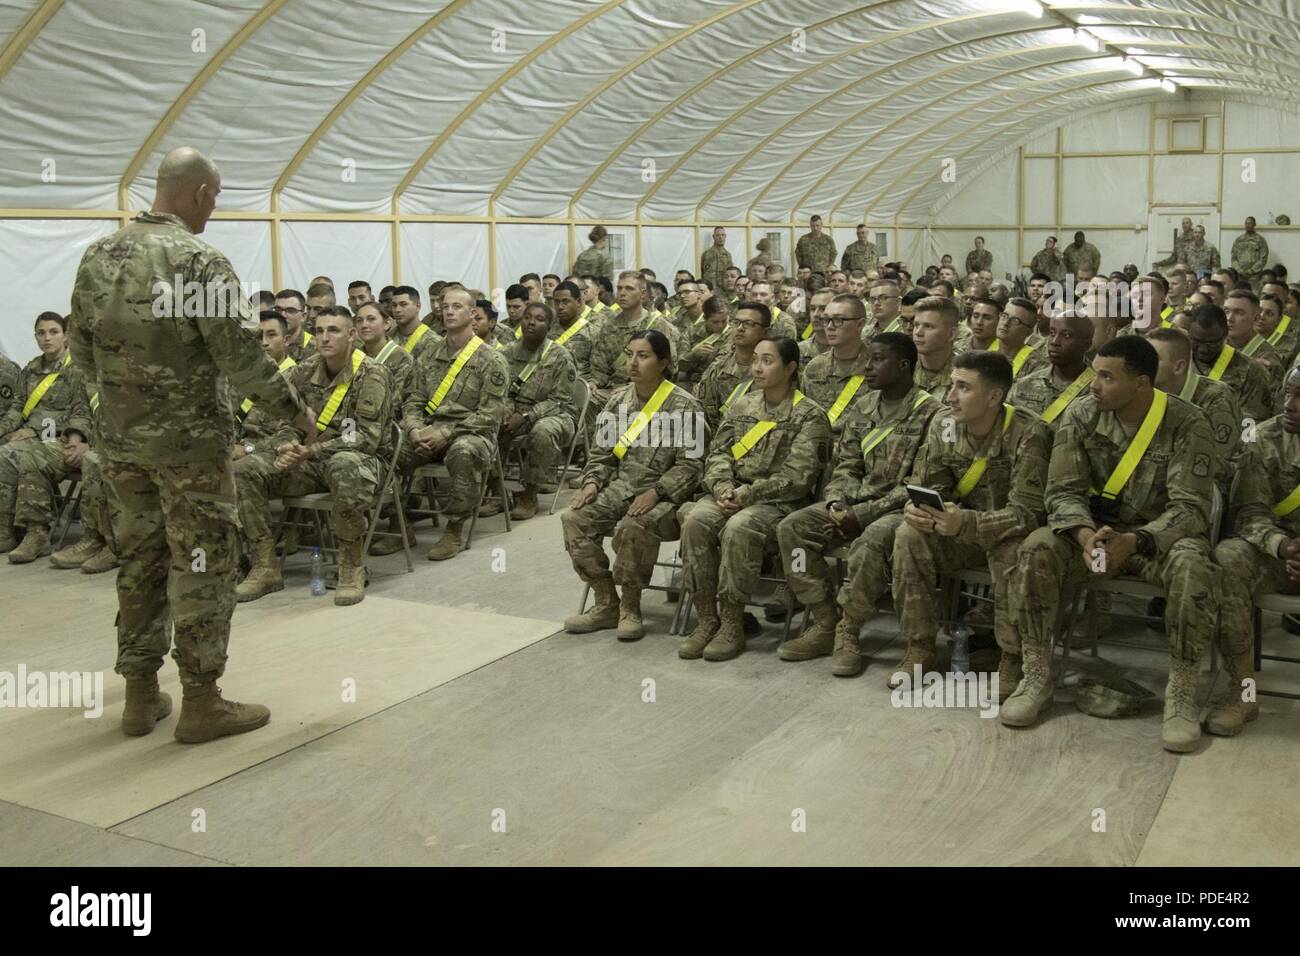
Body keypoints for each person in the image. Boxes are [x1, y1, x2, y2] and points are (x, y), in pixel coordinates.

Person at [68, 146, 313, 743]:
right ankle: (202, 701)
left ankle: (139, 696)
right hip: (191, 451)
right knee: (202, 563)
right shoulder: (199, 261)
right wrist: (295, 410)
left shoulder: (98, 256)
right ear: (200, 192)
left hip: (122, 446)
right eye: (216, 197)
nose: (215, 208)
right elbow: (241, 356)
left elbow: (80, 350)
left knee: (140, 562)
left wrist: (125, 404)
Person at [1007, 336, 1219, 752]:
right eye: (1095, 375)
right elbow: (1062, 491)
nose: (1094, 385)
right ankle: (1035, 675)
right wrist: (1085, 535)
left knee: (1194, 565)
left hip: (1155, 540)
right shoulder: (1081, 414)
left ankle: (1180, 693)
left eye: (1107, 377)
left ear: (1141, 383)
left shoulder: (1187, 422)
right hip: (1094, 537)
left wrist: (1136, 540)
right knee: (1036, 548)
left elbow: (1190, 508)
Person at [776, 333, 940, 672]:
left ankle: (848, 627)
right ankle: (824, 618)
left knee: (870, 540)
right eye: (868, 359)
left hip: (899, 510)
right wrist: (836, 503)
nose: (868, 367)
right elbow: (847, 465)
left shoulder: (932, 414)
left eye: (878, 359)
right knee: (792, 529)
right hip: (854, 503)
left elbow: (921, 483)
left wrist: (862, 514)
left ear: (903, 365)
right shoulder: (863, 407)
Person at [891, 351, 1051, 692]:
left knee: (1015, 552)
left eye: (963, 388)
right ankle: (920, 646)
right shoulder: (944, 423)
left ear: (994, 397)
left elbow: (1027, 513)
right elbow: (931, 485)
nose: (950, 396)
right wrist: (919, 509)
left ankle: (1012, 657)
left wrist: (965, 523)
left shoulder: (1029, 432)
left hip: (1007, 533)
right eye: (951, 385)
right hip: (958, 531)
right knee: (909, 534)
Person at [677, 337, 830, 661]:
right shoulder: (742, 406)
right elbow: (718, 454)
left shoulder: (809, 415)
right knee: (695, 520)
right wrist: (722, 487)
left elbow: (798, 478)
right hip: (730, 493)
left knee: (740, 527)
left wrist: (746, 494)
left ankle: (732, 622)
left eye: (767, 361)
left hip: (778, 503)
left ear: (790, 367)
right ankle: (707, 618)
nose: (757, 367)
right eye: (756, 360)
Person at [234, 306, 390, 607]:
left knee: (345, 465)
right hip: (309, 462)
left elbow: (366, 438)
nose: (324, 337)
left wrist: (312, 450)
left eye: (333, 330)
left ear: (352, 335)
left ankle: (351, 565)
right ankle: (265, 565)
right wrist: (287, 446)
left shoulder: (372, 374)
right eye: (319, 331)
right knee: (245, 469)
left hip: (361, 463)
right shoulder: (303, 371)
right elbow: (285, 422)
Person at [562, 330, 706, 639]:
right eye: (630, 355)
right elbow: (601, 454)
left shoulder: (685, 406)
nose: (633, 363)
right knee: (574, 518)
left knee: (634, 525)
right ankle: (606, 601)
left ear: (663, 363)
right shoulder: (618, 401)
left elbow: (692, 466)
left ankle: (630, 605)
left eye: (643, 356)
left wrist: (657, 492)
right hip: (620, 488)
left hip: (668, 497)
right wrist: (592, 482)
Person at [1209, 367, 1300, 736]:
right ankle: (1241, 692)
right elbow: (1248, 514)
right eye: (1288, 393)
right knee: (1228, 558)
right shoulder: (1263, 439)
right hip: (1278, 555)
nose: (1289, 405)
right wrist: (1283, 546)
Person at [400, 288, 510, 560]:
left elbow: (491, 414)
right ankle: (397, 521)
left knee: (463, 452)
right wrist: (414, 430)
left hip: (472, 433)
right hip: (429, 431)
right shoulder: (428, 355)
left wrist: (447, 433)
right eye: (445, 306)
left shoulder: (491, 359)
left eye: (456, 307)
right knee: (389, 448)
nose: (448, 311)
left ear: (472, 314)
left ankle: (454, 528)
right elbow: (413, 400)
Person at [0, 313, 92, 561]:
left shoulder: (76, 369)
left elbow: (80, 411)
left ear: (66, 336)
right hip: (30, 434)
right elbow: (17, 407)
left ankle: (36, 533)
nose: (47, 338)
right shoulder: (32, 368)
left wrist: (37, 430)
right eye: (41, 333)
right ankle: (6, 530)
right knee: (3, 452)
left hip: (58, 437)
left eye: (53, 332)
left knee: (17, 456)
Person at [501, 302, 579, 520]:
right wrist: (507, 413)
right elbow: (500, 392)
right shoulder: (506, 353)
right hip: (515, 411)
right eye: (527, 318)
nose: (531, 323)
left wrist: (527, 416)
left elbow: (560, 400)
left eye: (539, 319)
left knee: (543, 431)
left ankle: (529, 494)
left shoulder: (560, 356)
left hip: (556, 414)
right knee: (491, 422)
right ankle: (496, 490)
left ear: (549, 326)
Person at [1148, 328, 1240, 496]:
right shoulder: (1143, 391)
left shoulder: (1217, 397)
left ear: (1178, 367)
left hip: (1201, 487)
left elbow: (1216, 462)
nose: (1142, 365)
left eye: (1152, 359)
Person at [1186, 302, 1273, 422]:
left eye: (1211, 343)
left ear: (1225, 335)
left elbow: (1253, 421)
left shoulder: (1251, 370)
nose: (1203, 349)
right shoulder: (1178, 361)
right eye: (1196, 341)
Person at [801, 293, 871, 439]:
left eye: (838, 320)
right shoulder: (815, 367)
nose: (830, 327)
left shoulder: (876, 367)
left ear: (859, 324)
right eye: (826, 320)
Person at [1007, 310, 1095, 423]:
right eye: (1052, 333)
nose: (1054, 342)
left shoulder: (1096, 391)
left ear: (1086, 345)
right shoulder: (1023, 385)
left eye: (1066, 335)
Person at [696, 301, 769, 431]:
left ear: (765, 332)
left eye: (748, 324)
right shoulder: (717, 369)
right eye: (736, 322)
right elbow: (704, 418)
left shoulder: (774, 370)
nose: (740, 328)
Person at [549, 279, 599, 379]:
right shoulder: (546, 329)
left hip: (579, 384)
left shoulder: (593, 332)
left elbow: (598, 370)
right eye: (557, 302)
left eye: (565, 301)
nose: (560, 307)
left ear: (579, 302)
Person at [912, 295, 959, 399]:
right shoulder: (901, 369)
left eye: (928, 326)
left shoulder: (965, 375)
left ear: (951, 334)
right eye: (916, 325)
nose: (918, 332)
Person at [990, 297, 1048, 381]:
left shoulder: (1038, 366)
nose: (1006, 323)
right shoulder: (985, 348)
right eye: (1004, 316)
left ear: (1029, 332)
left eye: (1015, 321)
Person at [389, 285, 440, 360]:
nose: (397, 310)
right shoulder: (387, 338)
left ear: (418, 306)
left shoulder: (433, 342)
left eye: (403, 304)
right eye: (394, 305)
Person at [1231, 216, 1269, 288]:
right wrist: (1239, 270)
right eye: (1246, 223)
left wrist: (1251, 271)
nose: (1248, 225)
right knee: (1240, 293)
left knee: (1253, 293)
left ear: (1254, 224)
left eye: (1250, 223)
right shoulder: (1239, 240)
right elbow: (1234, 257)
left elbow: (1263, 259)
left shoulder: (1260, 240)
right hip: (1240, 275)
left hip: (1254, 276)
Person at [700, 226, 733, 295]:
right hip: (712, 291)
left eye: (723, 235)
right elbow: (706, 275)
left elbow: (730, 273)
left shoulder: (728, 255)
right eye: (718, 235)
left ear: (725, 236)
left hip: (725, 291)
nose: (721, 237)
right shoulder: (708, 254)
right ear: (713, 237)